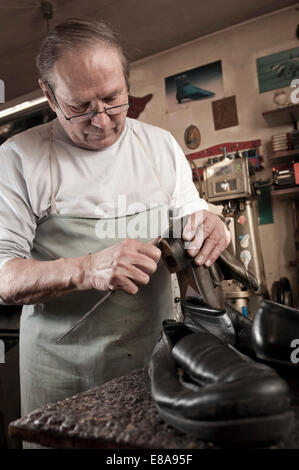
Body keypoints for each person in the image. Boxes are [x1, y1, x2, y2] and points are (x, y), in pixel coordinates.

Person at [0, 19, 230, 422]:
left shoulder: (159, 146)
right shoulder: (18, 159)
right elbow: (3, 278)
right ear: (49, 95)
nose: (102, 121)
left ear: (126, 82)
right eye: (80, 107)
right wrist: (86, 269)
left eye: (113, 99)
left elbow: (192, 221)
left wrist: (212, 226)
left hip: (153, 363)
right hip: (61, 372)